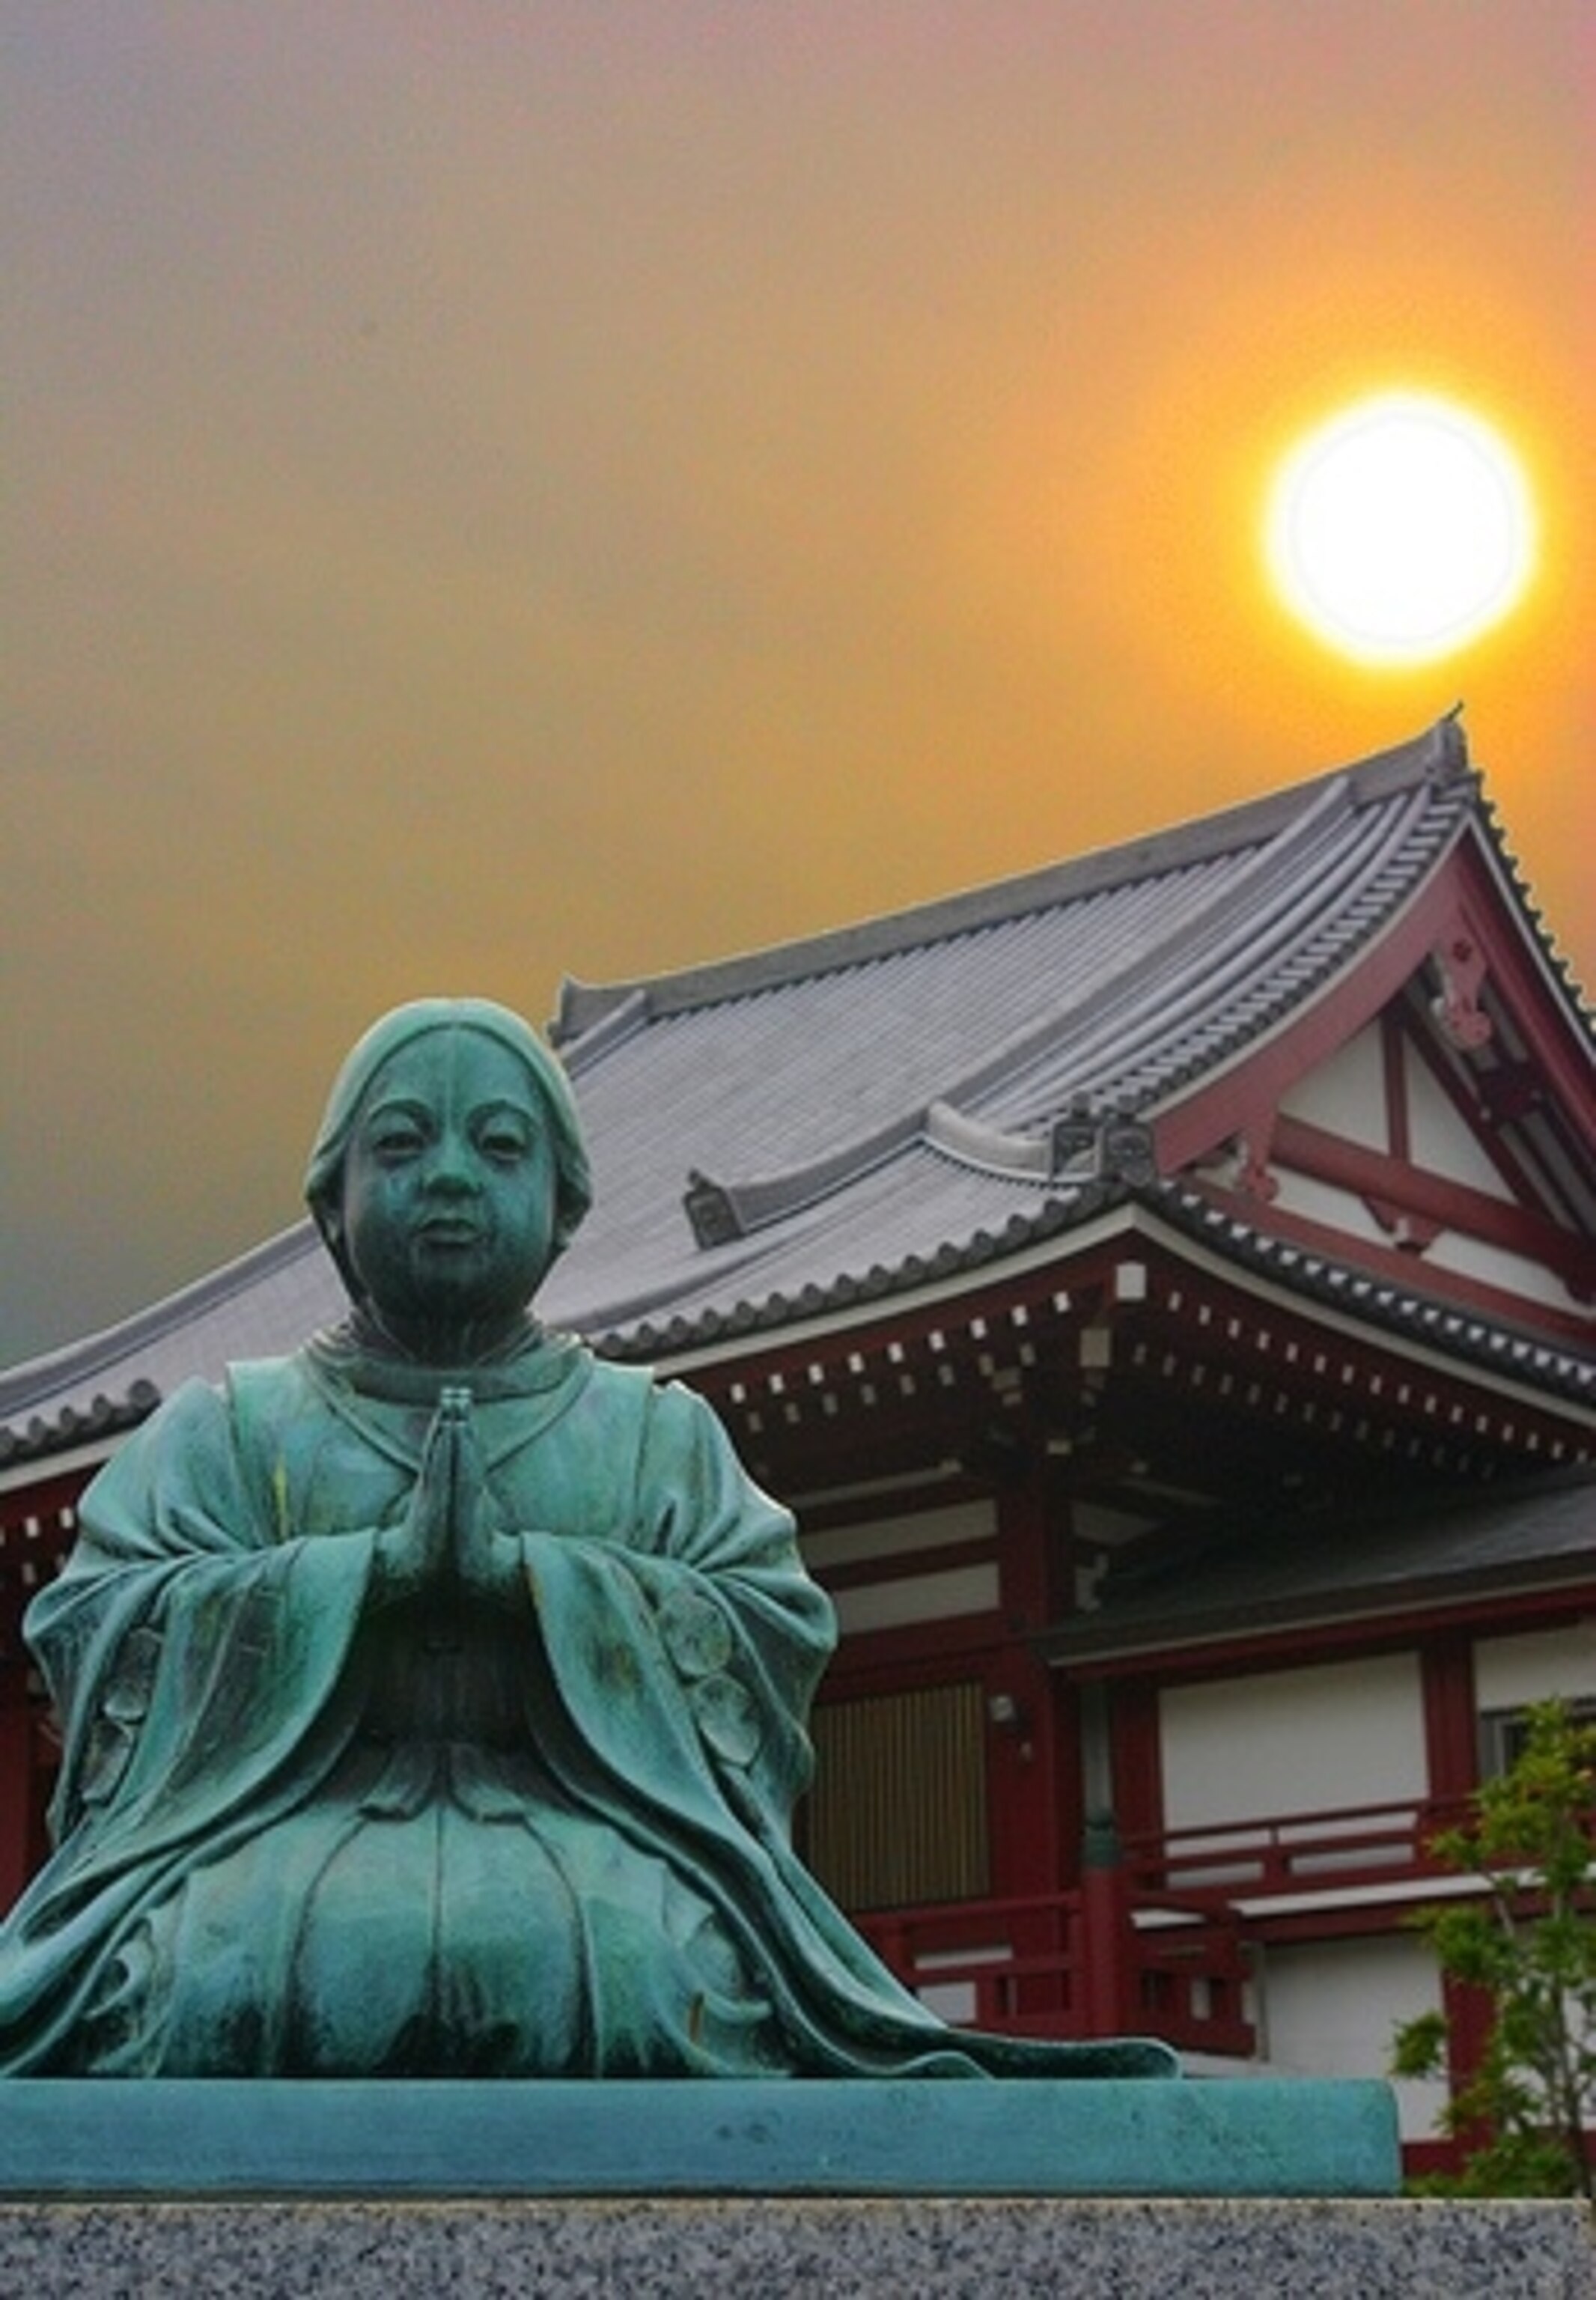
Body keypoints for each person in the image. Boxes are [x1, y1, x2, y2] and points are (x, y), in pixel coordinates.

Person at [0, 999, 1176, 2080]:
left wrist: (530, 1585)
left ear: (564, 1208)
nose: (450, 1175)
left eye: (500, 1147)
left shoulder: (655, 1437)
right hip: (259, 1855)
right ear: (330, 1205)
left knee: (678, 1976)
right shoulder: (224, 1432)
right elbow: (101, 1624)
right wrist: (363, 1581)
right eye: (400, 1145)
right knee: (182, 1979)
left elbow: (765, 1624)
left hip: (599, 1858)